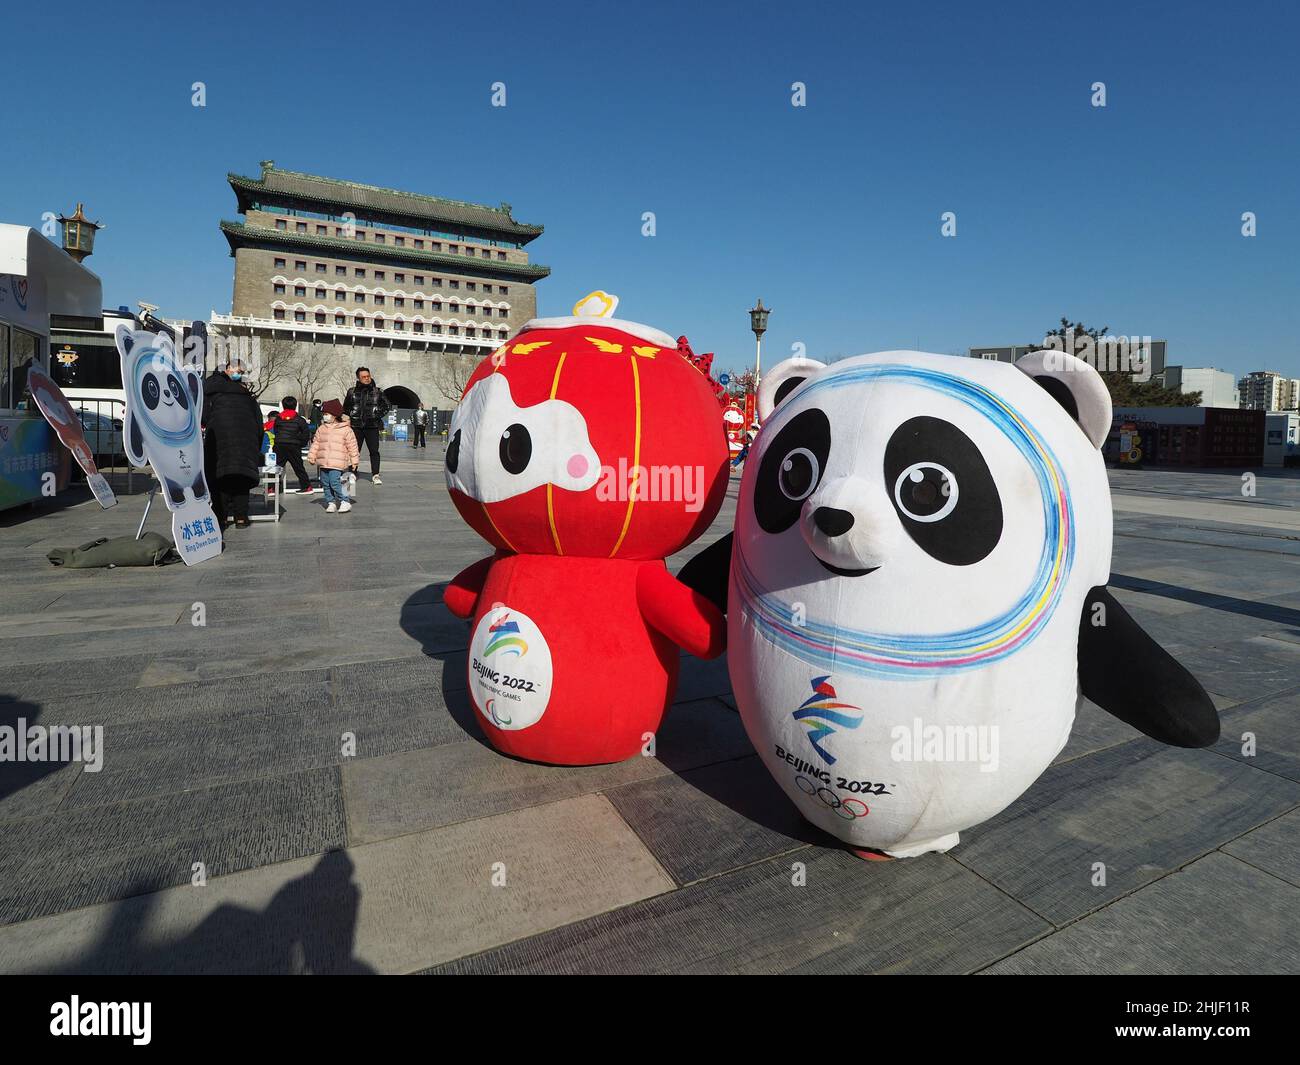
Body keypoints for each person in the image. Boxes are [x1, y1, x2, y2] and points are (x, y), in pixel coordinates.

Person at [203, 360, 263, 529]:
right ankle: (241, 518)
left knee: (221, 479)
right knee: (241, 478)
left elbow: (203, 418)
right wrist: (255, 446)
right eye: (238, 370)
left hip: (218, 443)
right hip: (245, 444)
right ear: (227, 369)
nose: (239, 374)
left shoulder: (211, 393)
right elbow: (259, 426)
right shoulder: (247, 397)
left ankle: (220, 517)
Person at [307, 399, 359, 514]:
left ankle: (345, 501)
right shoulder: (322, 429)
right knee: (325, 483)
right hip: (323, 461)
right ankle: (331, 502)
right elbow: (316, 443)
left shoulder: (346, 429)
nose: (324, 416)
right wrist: (312, 455)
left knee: (334, 482)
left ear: (334, 415)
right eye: (324, 414)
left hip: (338, 462)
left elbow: (352, 446)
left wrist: (354, 460)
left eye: (326, 414)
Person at [343, 366, 390, 484]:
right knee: (354, 451)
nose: (367, 378)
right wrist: (348, 418)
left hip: (372, 426)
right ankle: (352, 473)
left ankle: (375, 475)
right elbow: (346, 408)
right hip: (355, 426)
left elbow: (387, 406)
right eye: (363, 377)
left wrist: (376, 414)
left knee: (374, 451)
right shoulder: (351, 391)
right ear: (358, 378)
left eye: (368, 376)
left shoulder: (378, 391)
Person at [274, 396, 313, 494]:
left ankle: (273, 488)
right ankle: (306, 486)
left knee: (276, 467)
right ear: (295, 406)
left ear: (283, 406)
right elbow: (305, 434)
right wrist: (301, 444)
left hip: (280, 445)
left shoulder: (278, 419)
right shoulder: (299, 419)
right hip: (294, 446)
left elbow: (276, 431)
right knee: (298, 467)